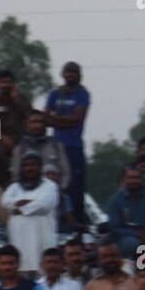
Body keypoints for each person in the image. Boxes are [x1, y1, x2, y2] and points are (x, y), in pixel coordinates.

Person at [44, 62, 91, 223]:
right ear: (63, 74)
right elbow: (45, 119)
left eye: (74, 73)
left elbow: (77, 119)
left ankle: (77, 224)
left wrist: (55, 120)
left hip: (74, 147)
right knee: (55, 186)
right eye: (68, 72)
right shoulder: (54, 94)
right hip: (55, 147)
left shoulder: (82, 94)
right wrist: (63, 121)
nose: (70, 75)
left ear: (79, 75)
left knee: (76, 188)